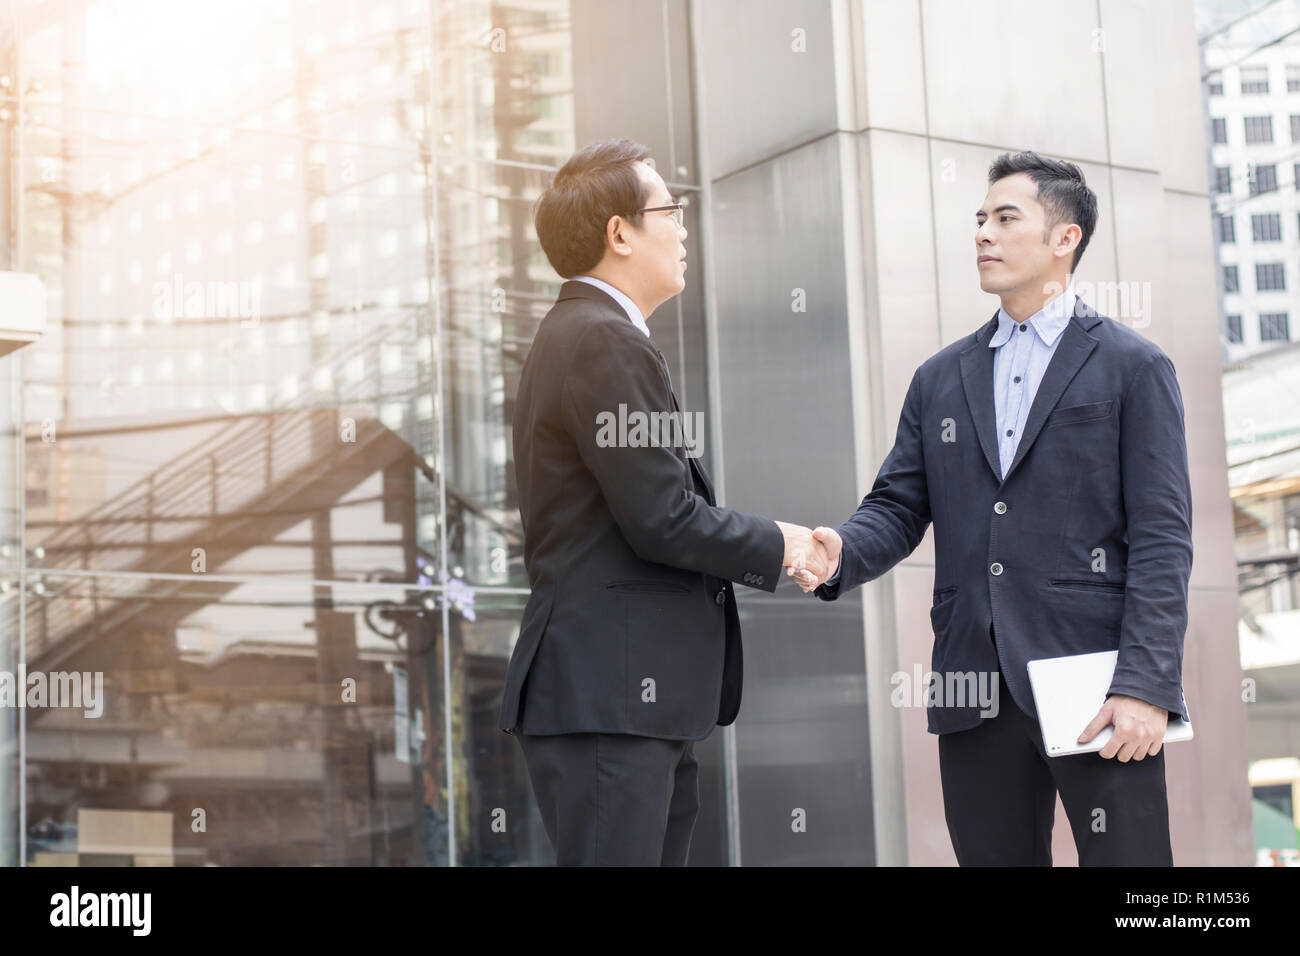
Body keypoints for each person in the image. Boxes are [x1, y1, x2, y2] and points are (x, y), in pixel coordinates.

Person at [792, 151, 1192, 866]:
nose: (984, 233)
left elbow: (1163, 538)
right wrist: (840, 553)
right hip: (972, 679)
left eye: (1007, 219)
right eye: (980, 219)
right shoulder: (941, 377)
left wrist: (1146, 683)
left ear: (1064, 239)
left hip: (1097, 685)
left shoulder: (1133, 366)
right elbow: (897, 504)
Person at [498, 138, 831, 866]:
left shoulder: (591, 336)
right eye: (670, 212)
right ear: (619, 233)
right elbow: (663, 518)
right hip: (609, 698)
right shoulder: (603, 342)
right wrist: (785, 544)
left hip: (625, 699)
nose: (683, 230)